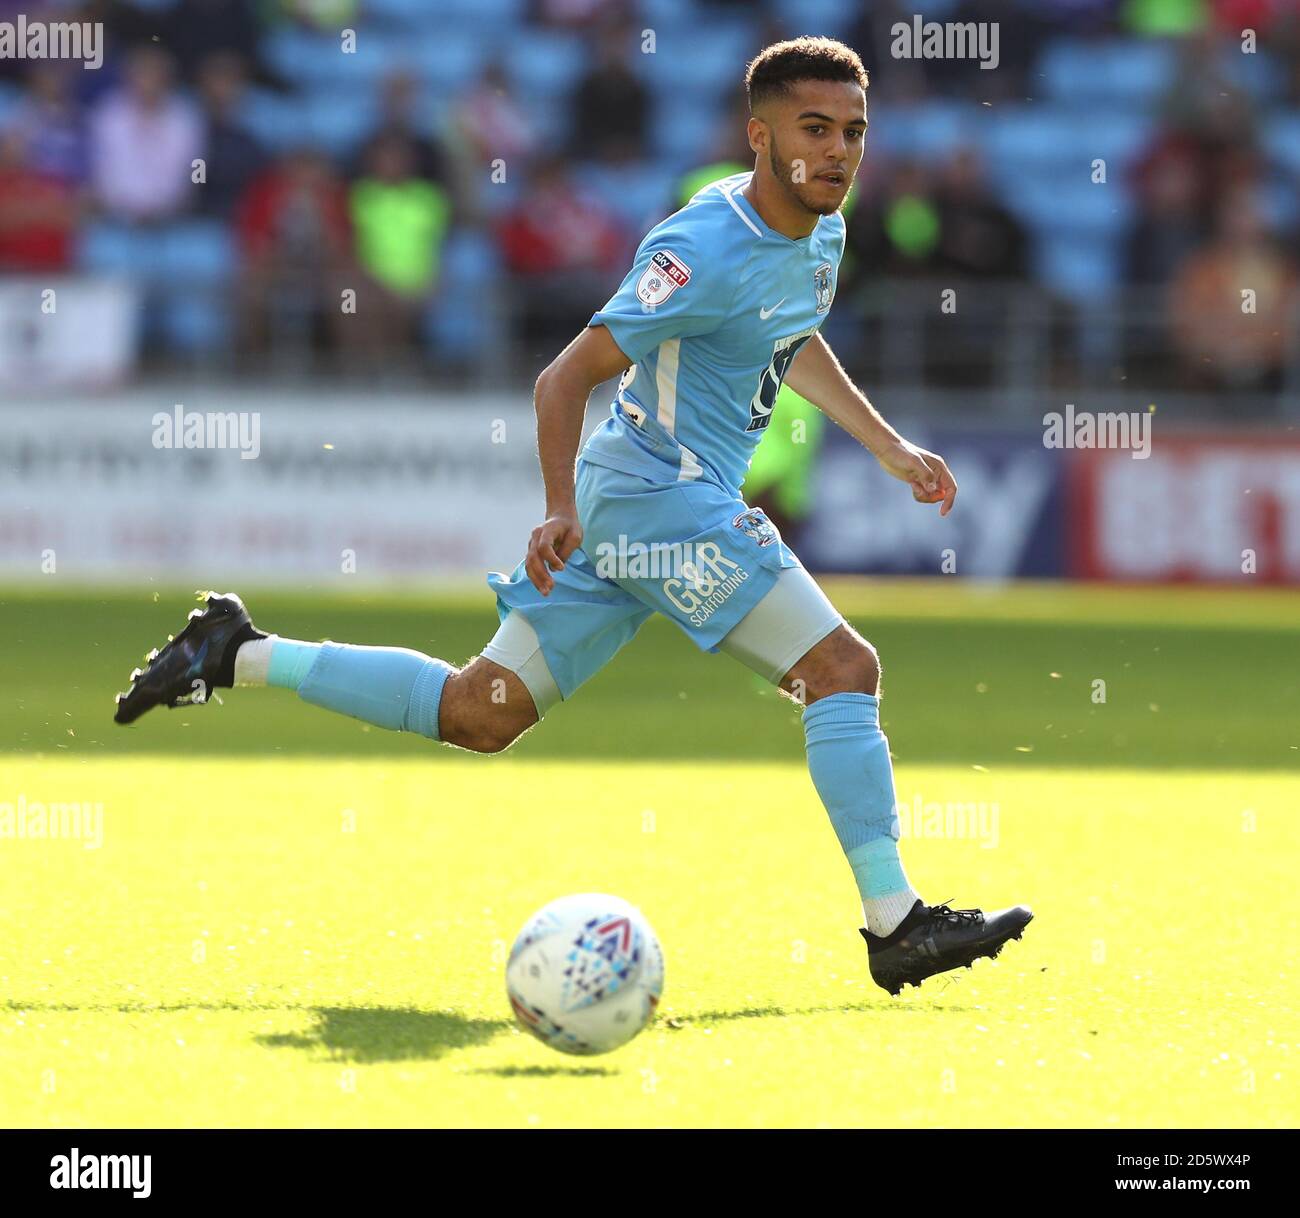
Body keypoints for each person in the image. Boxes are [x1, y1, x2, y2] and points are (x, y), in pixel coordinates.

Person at [111, 37, 1031, 997]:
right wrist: (559, 509)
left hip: (641, 501)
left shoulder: (825, 233)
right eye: (814, 129)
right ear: (758, 138)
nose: (839, 151)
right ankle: (897, 923)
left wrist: (887, 445)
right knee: (842, 669)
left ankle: (235, 653)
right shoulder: (699, 247)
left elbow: (788, 337)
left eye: (853, 131)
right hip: (655, 497)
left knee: (479, 712)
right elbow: (563, 377)